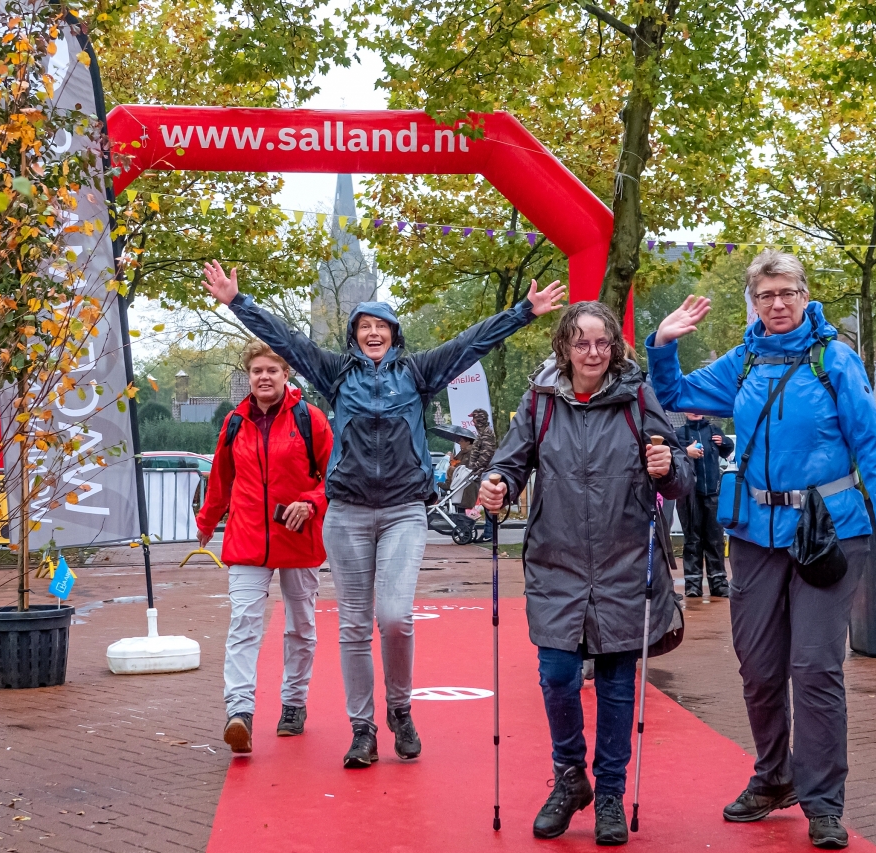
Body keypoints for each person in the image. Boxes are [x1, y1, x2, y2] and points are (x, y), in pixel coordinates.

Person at [203, 261, 566, 768]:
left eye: (381, 327)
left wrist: (524, 311)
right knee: (352, 626)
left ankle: (400, 709)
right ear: (354, 337)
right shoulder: (335, 374)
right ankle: (362, 728)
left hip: (401, 512)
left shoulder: (418, 373)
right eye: (364, 327)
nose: (373, 334)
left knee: (394, 618)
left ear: (394, 335)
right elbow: (285, 342)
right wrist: (236, 301)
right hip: (347, 513)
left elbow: (471, 342)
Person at [645, 249, 876, 850]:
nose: (777, 303)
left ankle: (823, 801)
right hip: (755, 534)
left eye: (787, 291)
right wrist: (662, 344)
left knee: (814, 668)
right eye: (765, 294)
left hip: (829, 532)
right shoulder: (743, 360)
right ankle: (774, 777)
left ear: (805, 293)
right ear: (754, 301)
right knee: (760, 667)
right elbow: (677, 394)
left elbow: (874, 447)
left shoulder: (833, 360)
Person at [479, 301, 692, 847]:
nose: (593, 352)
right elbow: (509, 462)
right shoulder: (541, 400)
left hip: (624, 563)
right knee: (557, 677)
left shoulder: (638, 398)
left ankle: (612, 793)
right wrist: (497, 486)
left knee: (619, 688)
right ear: (564, 348)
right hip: (558, 563)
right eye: (582, 343)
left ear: (614, 347)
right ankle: (571, 776)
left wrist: (668, 467)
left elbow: (680, 480)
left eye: (602, 343)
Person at [195, 340, 334, 756]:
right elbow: (220, 476)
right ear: (249, 377)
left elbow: (337, 477)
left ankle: (293, 704)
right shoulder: (235, 422)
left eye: (272, 370)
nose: (264, 377)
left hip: (299, 538)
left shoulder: (311, 420)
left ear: (286, 374)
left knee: (301, 627)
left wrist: (311, 503)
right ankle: (239, 713)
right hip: (247, 538)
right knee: (243, 625)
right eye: (257, 370)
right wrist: (206, 521)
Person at [675, 413, 734, 597]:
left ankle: (718, 583)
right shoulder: (679, 433)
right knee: (692, 540)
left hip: (712, 494)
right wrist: (687, 452)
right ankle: (693, 585)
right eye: (690, 408)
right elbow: (671, 455)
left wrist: (723, 441)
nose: (695, 410)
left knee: (715, 539)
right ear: (684, 411)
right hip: (688, 496)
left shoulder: (713, 429)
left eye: (698, 407)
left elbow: (728, 449)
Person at [462, 408, 497, 540]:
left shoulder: (487, 434)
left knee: (487, 503)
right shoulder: (482, 434)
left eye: (474, 419)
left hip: (484, 472)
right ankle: (487, 532)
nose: (473, 422)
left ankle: (489, 533)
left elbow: (486, 455)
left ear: (479, 420)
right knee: (482, 503)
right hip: (481, 472)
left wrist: (475, 468)